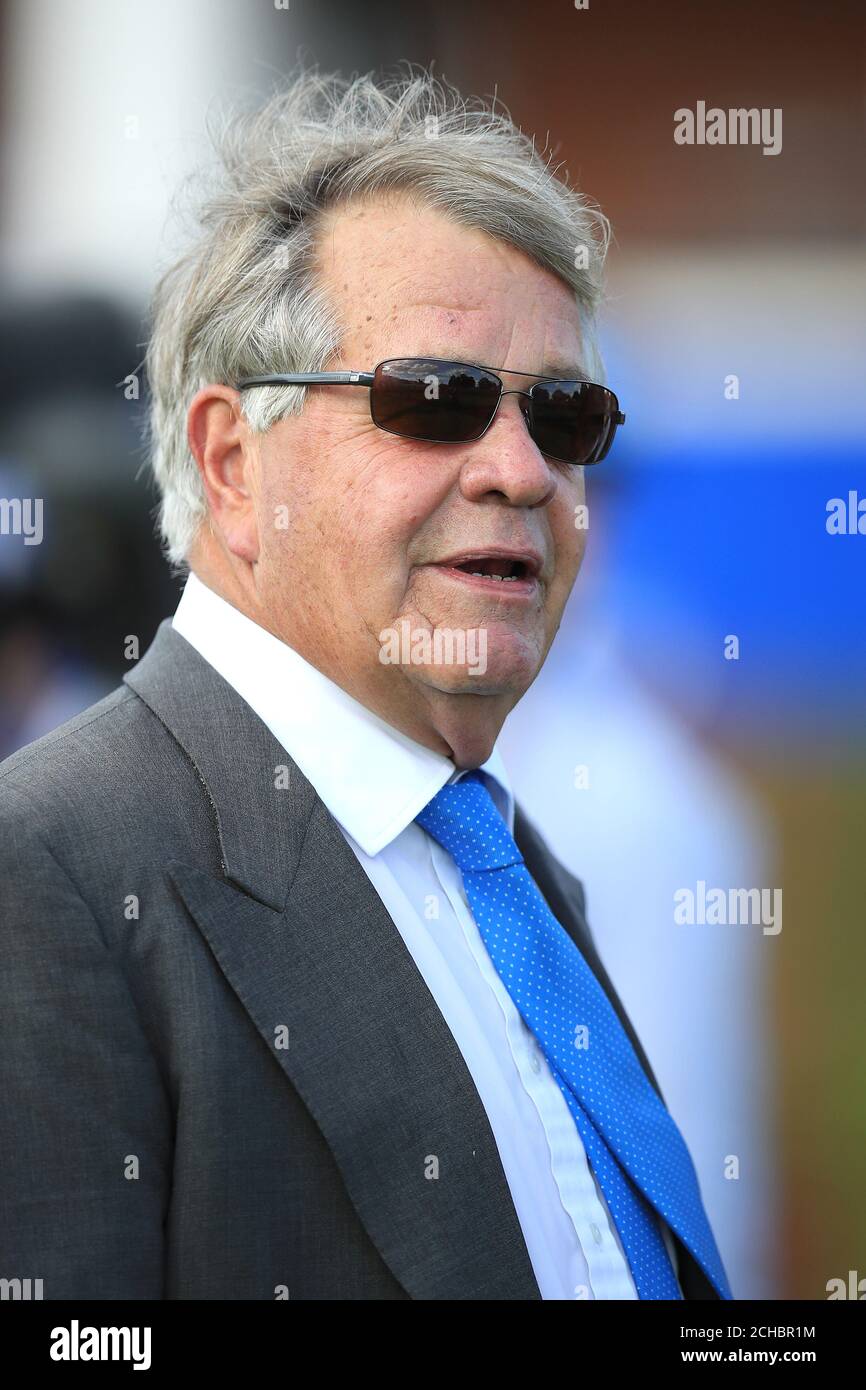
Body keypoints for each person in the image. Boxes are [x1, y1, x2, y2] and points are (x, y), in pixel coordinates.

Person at [0, 69, 730, 1300]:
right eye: (434, 399)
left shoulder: (503, 865)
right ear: (232, 462)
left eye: (563, 418)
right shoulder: (51, 867)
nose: (519, 470)